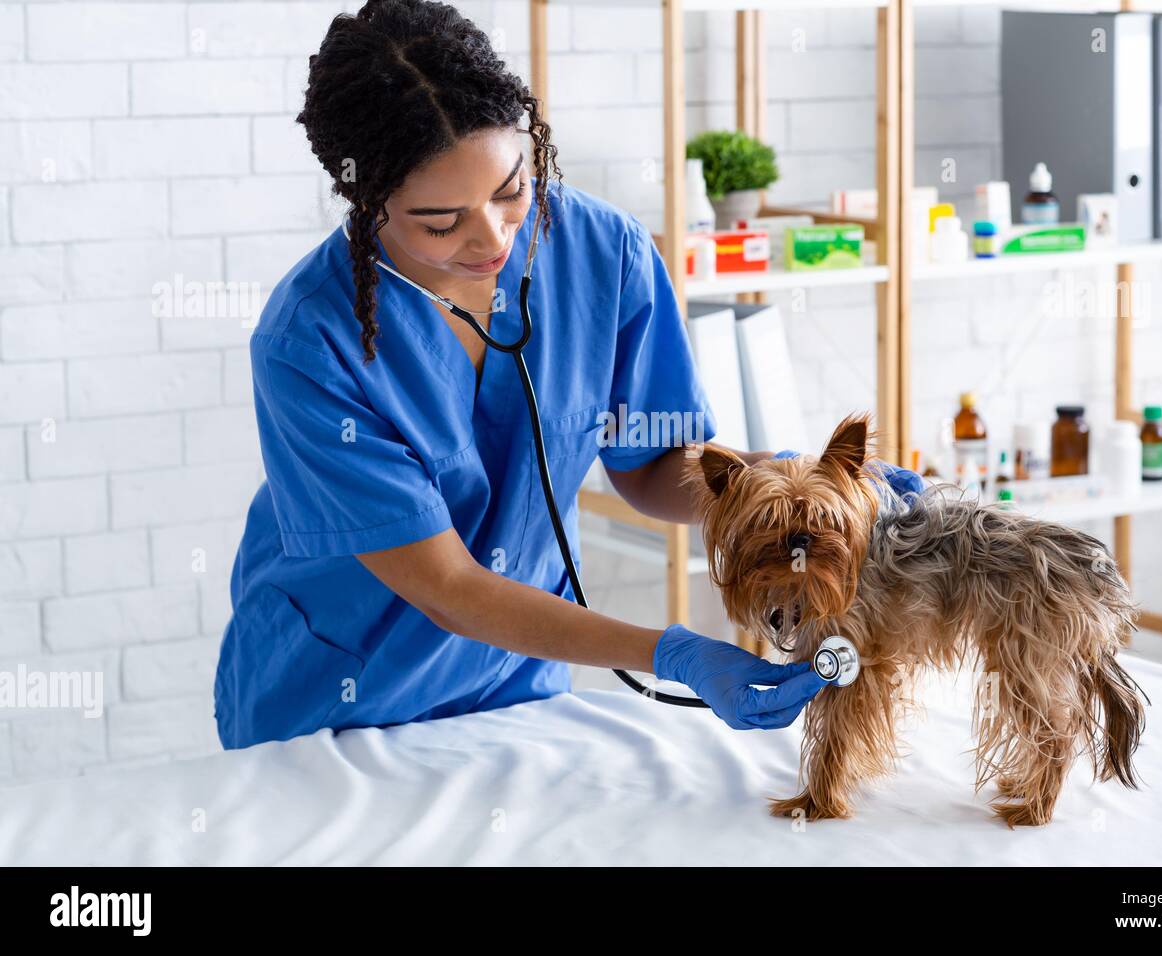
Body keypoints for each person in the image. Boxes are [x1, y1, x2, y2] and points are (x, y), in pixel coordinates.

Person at [213, 0, 921, 750]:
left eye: (511, 188)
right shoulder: (311, 342)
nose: (492, 237)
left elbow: (651, 464)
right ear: (366, 201)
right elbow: (448, 586)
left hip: (520, 684)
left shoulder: (602, 251)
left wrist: (776, 480)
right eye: (440, 221)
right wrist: (668, 651)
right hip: (337, 707)